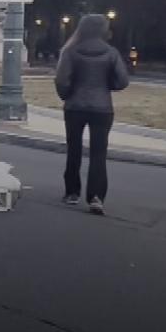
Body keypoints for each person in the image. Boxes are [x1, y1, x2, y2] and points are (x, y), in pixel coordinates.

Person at [55, 13, 130, 215]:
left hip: (75, 106)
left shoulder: (70, 51)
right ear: (104, 30)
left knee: (74, 149)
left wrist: (67, 95)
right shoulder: (111, 52)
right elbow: (122, 81)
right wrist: (107, 87)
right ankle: (96, 196)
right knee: (99, 153)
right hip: (102, 108)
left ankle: (72, 192)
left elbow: (62, 80)